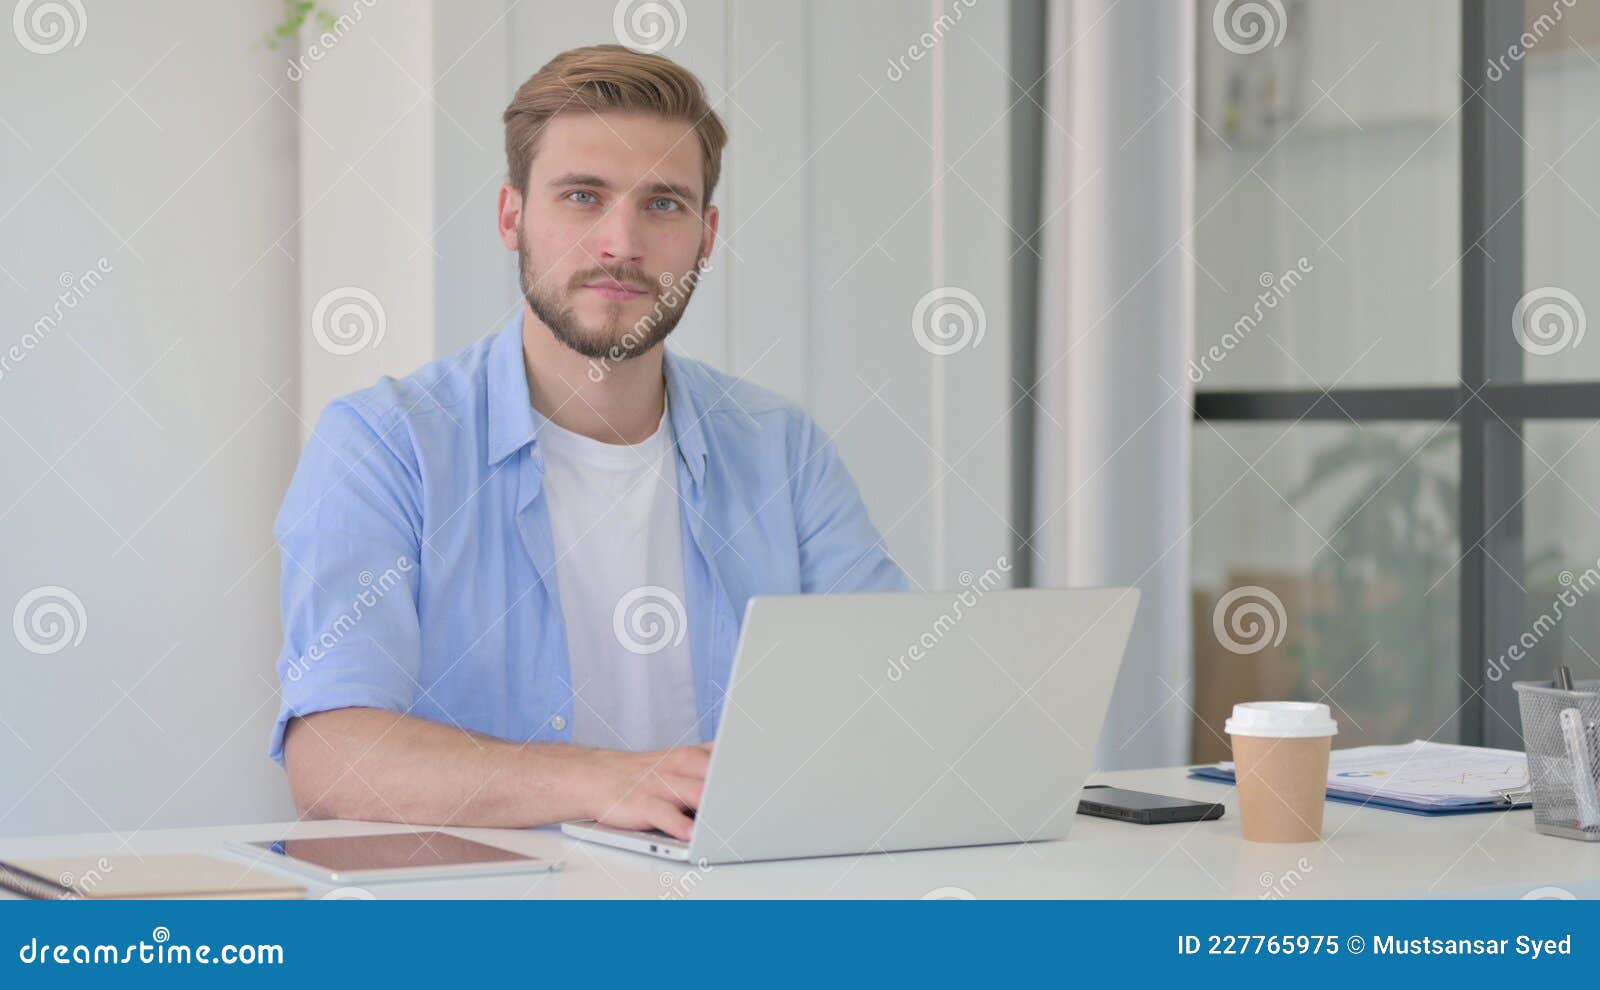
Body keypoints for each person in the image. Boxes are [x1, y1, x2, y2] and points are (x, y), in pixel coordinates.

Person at [270, 44, 905, 842]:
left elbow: (896, 701)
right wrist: (609, 781)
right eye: (582, 196)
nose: (620, 244)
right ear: (513, 217)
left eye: (664, 205)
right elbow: (332, 760)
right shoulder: (385, 445)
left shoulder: (782, 449)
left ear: (707, 236)